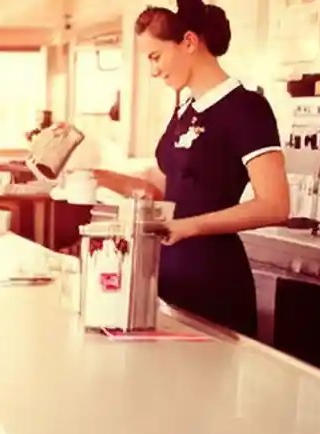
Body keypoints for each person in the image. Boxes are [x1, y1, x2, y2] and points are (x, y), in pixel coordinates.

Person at [90, 0, 290, 336]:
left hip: (213, 278)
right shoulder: (185, 111)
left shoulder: (247, 109)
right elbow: (166, 190)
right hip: (170, 275)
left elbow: (275, 204)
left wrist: (189, 227)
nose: (153, 70)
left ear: (188, 42)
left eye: (155, 56)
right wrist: (98, 177)